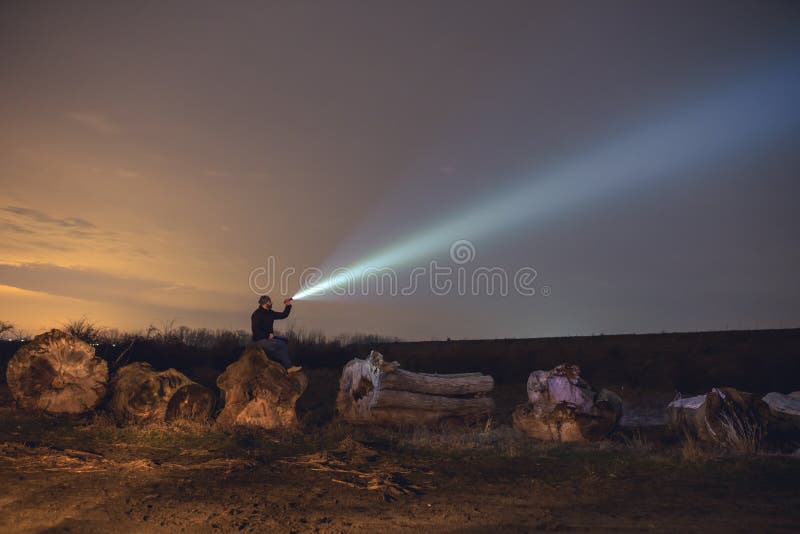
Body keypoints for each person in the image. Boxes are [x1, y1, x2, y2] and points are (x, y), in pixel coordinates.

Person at [251, 295, 301, 373]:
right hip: (259, 341)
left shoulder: (270, 313)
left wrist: (288, 305)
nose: (272, 303)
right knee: (281, 344)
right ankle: (289, 367)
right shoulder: (257, 314)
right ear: (265, 303)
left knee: (285, 341)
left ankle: (285, 365)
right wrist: (267, 335)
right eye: (270, 301)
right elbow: (255, 330)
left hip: (268, 338)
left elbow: (283, 315)